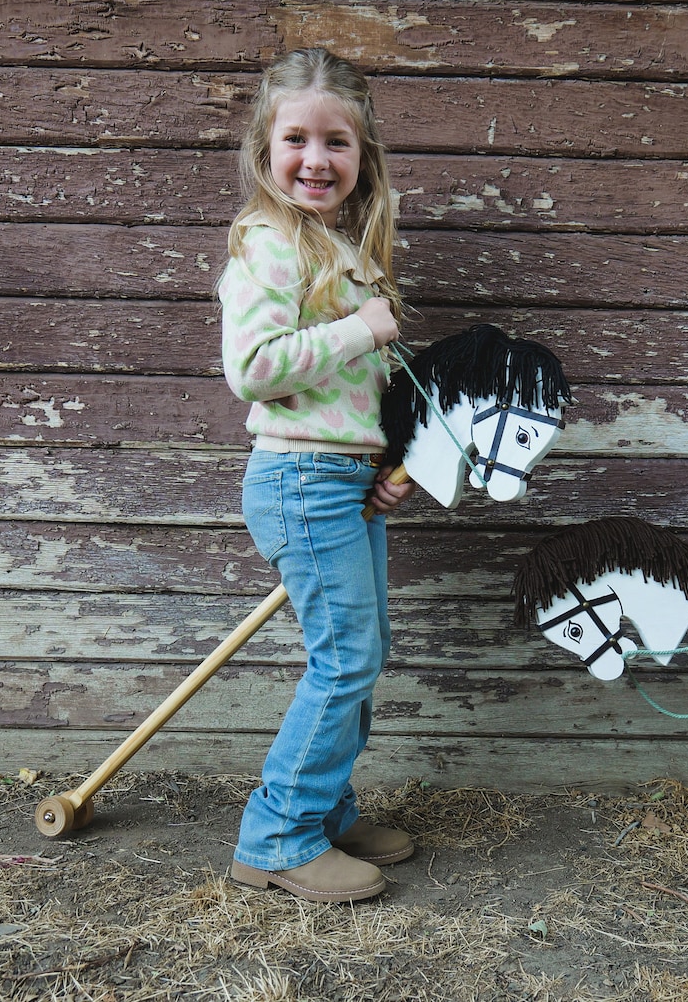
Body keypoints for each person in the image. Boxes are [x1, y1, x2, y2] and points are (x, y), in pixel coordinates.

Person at [217, 48, 417, 904]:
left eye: (337, 142)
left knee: (360, 659)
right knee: (343, 662)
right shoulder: (267, 243)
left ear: (363, 155)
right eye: (295, 138)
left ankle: (326, 813)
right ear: (265, 148)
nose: (316, 159)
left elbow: (356, 393)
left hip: (340, 479)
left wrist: (389, 464)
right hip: (297, 480)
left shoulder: (335, 245)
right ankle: (278, 838)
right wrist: (364, 331)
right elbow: (254, 368)